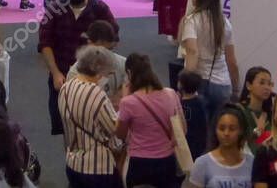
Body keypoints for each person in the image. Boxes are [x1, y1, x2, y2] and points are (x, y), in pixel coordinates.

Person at [39, 0, 120, 135]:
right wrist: (55, 73)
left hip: (93, 80)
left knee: (96, 126)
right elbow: (45, 44)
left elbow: (113, 40)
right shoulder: (54, 9)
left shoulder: (100, 9)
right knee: (64, 127)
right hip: (61, 77)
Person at [115, 53, 186, 188]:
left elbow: (120, 134)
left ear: (129, 73)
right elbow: (182, 128)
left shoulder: (128, 102)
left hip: (139, 162)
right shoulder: (171, 94)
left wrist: (124, 98)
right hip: (167, 161)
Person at [59, 45, 124, 188]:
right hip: (97, 168)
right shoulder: (96, 93)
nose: (106, 77)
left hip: (73, 162)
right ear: (98, 69)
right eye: (106, 72)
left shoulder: (65, 87)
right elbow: (115, 129)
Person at [180, 0, 240, 121]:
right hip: (222, 83)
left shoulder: (192, 21)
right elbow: (231, 61)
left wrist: (185, 81)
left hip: (200, 82)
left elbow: (192, 52)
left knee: (201, 130)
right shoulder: (224, 22)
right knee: (221, 130)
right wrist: (236, 88)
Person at [187, 104, 254, 188]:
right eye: (222, 128)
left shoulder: (252, 163)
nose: (226, 133)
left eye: (232, 129)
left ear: (241, 130)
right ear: (215, 130)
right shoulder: (202, 163)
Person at [68, 19, 128, 107]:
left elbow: (133, 88)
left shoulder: (123, 63)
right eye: (100, 50)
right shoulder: (75, 72)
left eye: (108, 49)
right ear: (89, 43)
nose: (106, 55)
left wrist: (120, 95)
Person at [238, 67, 274, 153]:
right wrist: (257, 131)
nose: (267, 87)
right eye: (262, 83)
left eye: (269, 84)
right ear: (248, 85)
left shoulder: (270, 113)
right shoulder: (239, 111)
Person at [178, 70, 208, 160]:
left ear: (181, 86)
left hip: (188, 144)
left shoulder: (183, 107)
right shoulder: (201, 101)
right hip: (201, 141)